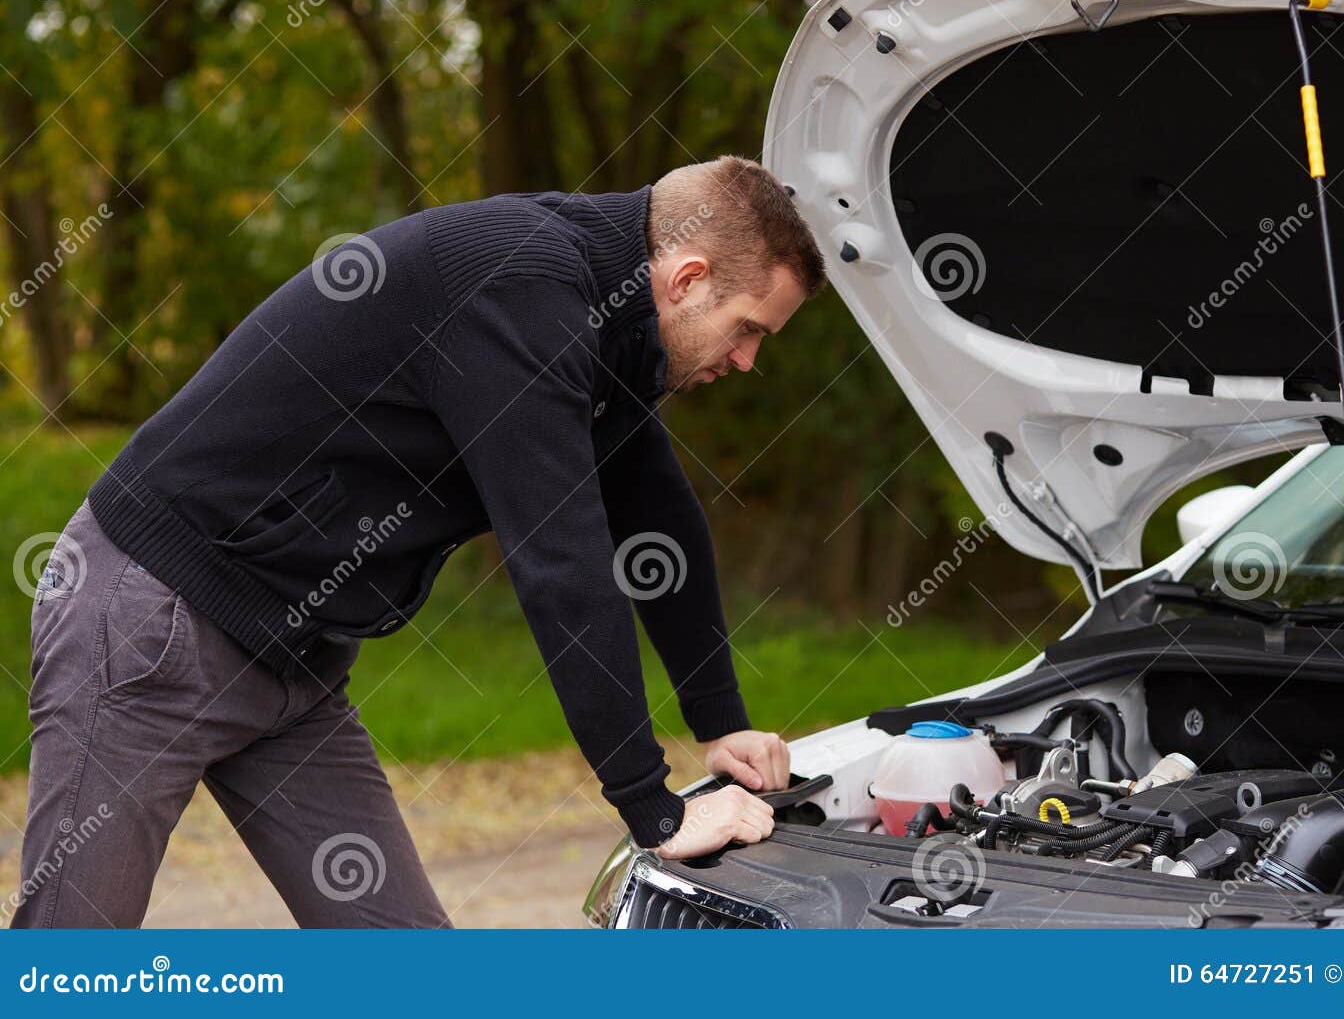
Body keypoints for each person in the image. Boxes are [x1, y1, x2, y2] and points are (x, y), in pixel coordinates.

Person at [14, 155, 826, 927]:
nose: (749, 359)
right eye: (748, 328)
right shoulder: (522, 286)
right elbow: (561, 557)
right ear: (687, 279)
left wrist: (719, 720)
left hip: (292, 663)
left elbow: (654, 509)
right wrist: (654, 807)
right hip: (155, 620)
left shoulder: (604, 313)